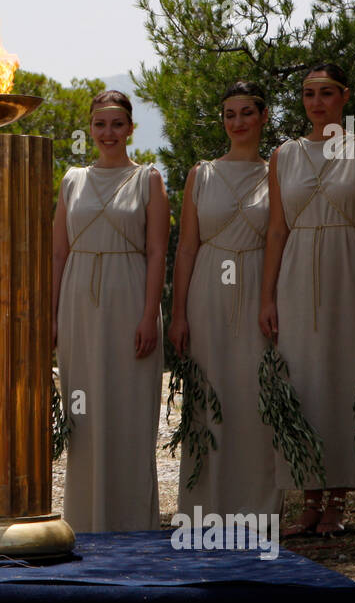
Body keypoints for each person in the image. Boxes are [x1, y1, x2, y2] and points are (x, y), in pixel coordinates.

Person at [259, 64, 355, 536]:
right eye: (309, 94)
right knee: (304, 380)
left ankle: (338, 501)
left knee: (344, 376)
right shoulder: (283, 155)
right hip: (295, 275)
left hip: (347, 270)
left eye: (327, 93)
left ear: (345, 96)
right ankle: (308, 499)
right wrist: (267, 297)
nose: (317, 102)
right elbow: (275, 229)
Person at [53, 90, 169, 532]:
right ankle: (84, 519)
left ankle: (133, 521)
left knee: (129, 409)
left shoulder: (148, 180)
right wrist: (52, 315)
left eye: (117, 124)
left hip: (128, 297)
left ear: (130, 129)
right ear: (91, 127)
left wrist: (148, 314)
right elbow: (59, 252)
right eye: (100, 124)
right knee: (82, 413)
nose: (108, 133)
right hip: (78, 301)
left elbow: (158, 251)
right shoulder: (72, 180)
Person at [168, 81, 278, 517]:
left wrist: (269, 299)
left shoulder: (277, 172)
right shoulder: (202, 174)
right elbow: (187, 247)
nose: (237, 123)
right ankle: (205, 506)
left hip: (255, 283)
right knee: (208, 394)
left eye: (246, 113)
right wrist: (177, 314)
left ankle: (255, 506)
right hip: (207, 289)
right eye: (229, 114)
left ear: (263, 116)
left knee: (254, 393)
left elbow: (277, 237)